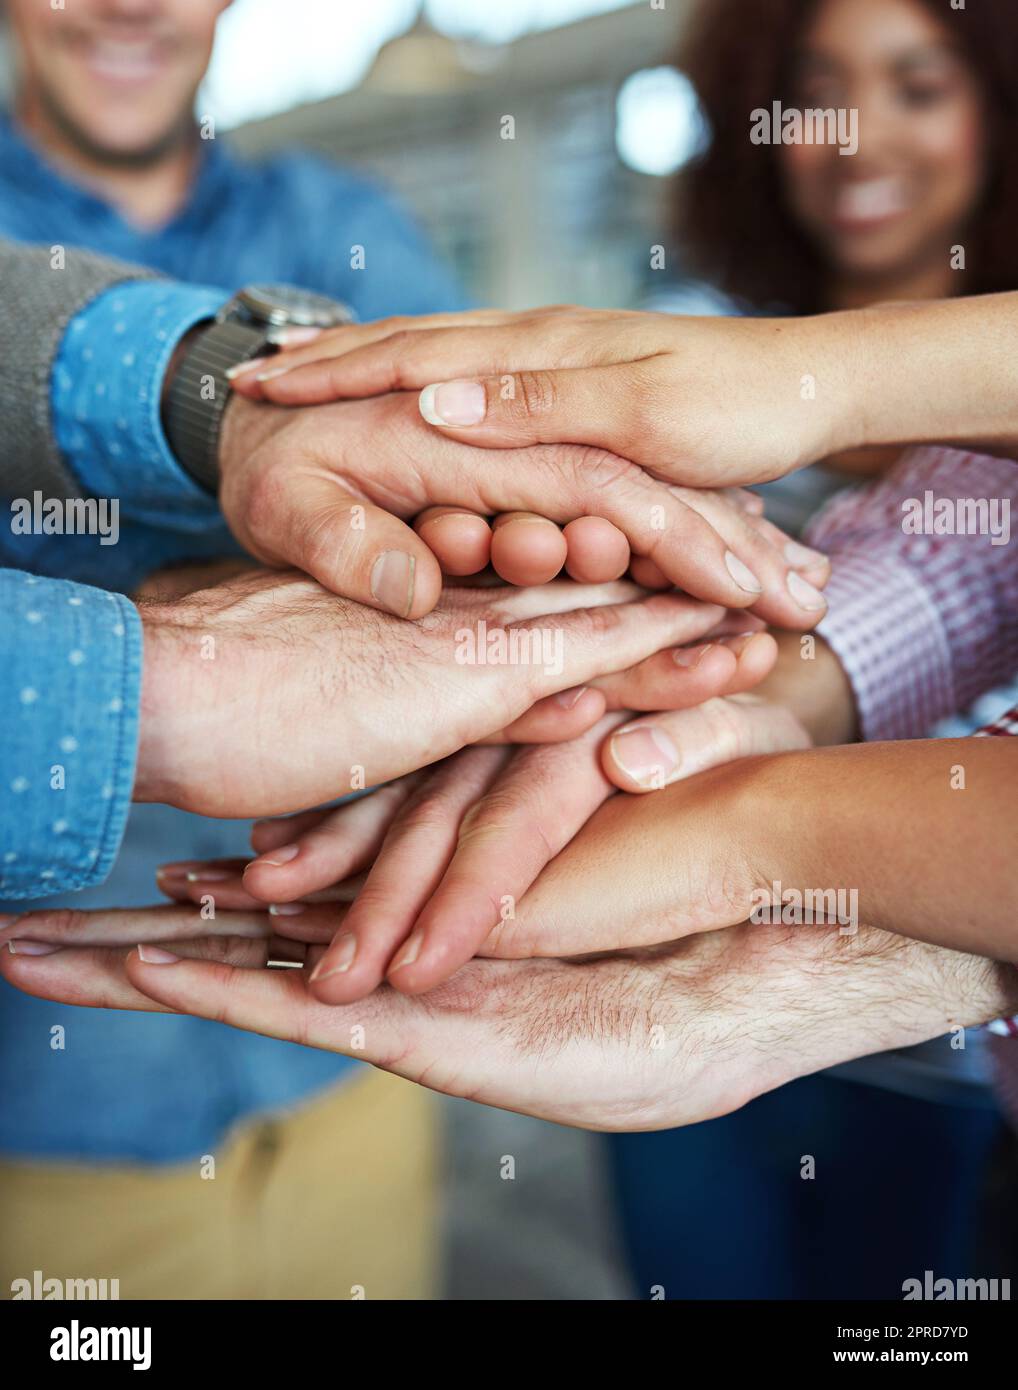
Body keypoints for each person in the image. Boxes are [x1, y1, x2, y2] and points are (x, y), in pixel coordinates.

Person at [0, 0, 822, 1299]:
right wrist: (164, 678)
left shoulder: (347, 217)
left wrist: (540, 644)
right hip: (48, 1111)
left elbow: (486, 538)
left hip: (351, 1048)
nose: (131, 5)